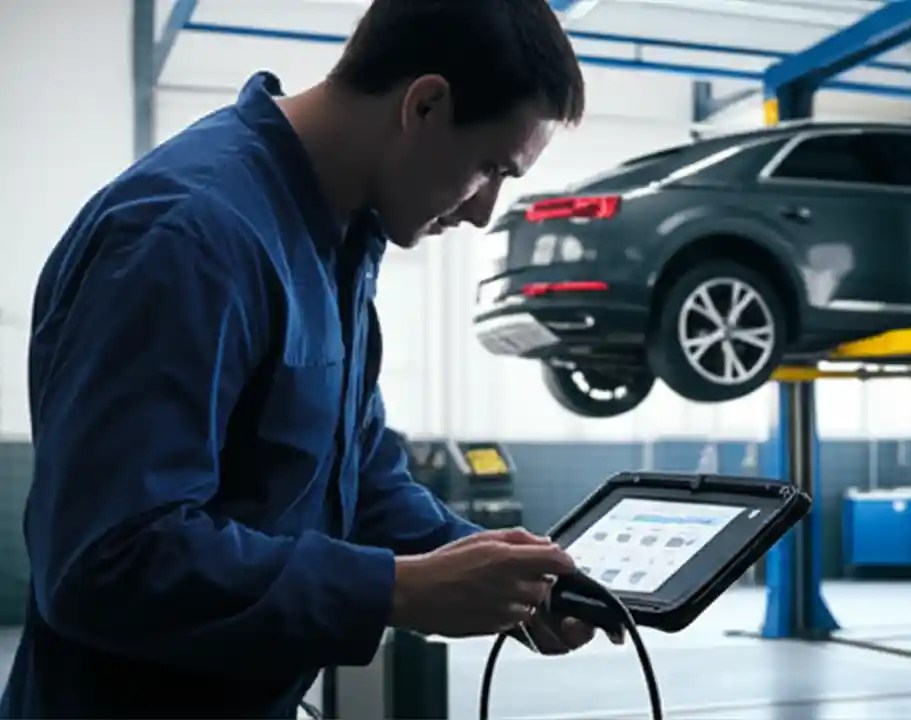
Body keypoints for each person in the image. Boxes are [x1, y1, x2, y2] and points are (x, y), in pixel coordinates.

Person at [0, 1, 606, 717]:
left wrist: (498, 571)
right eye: (488, 169)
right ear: (424, 105)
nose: (483, 211)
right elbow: (107, 560)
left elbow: (360, 479)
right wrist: (398, 590)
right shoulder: (187, 236)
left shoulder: (338, 238)